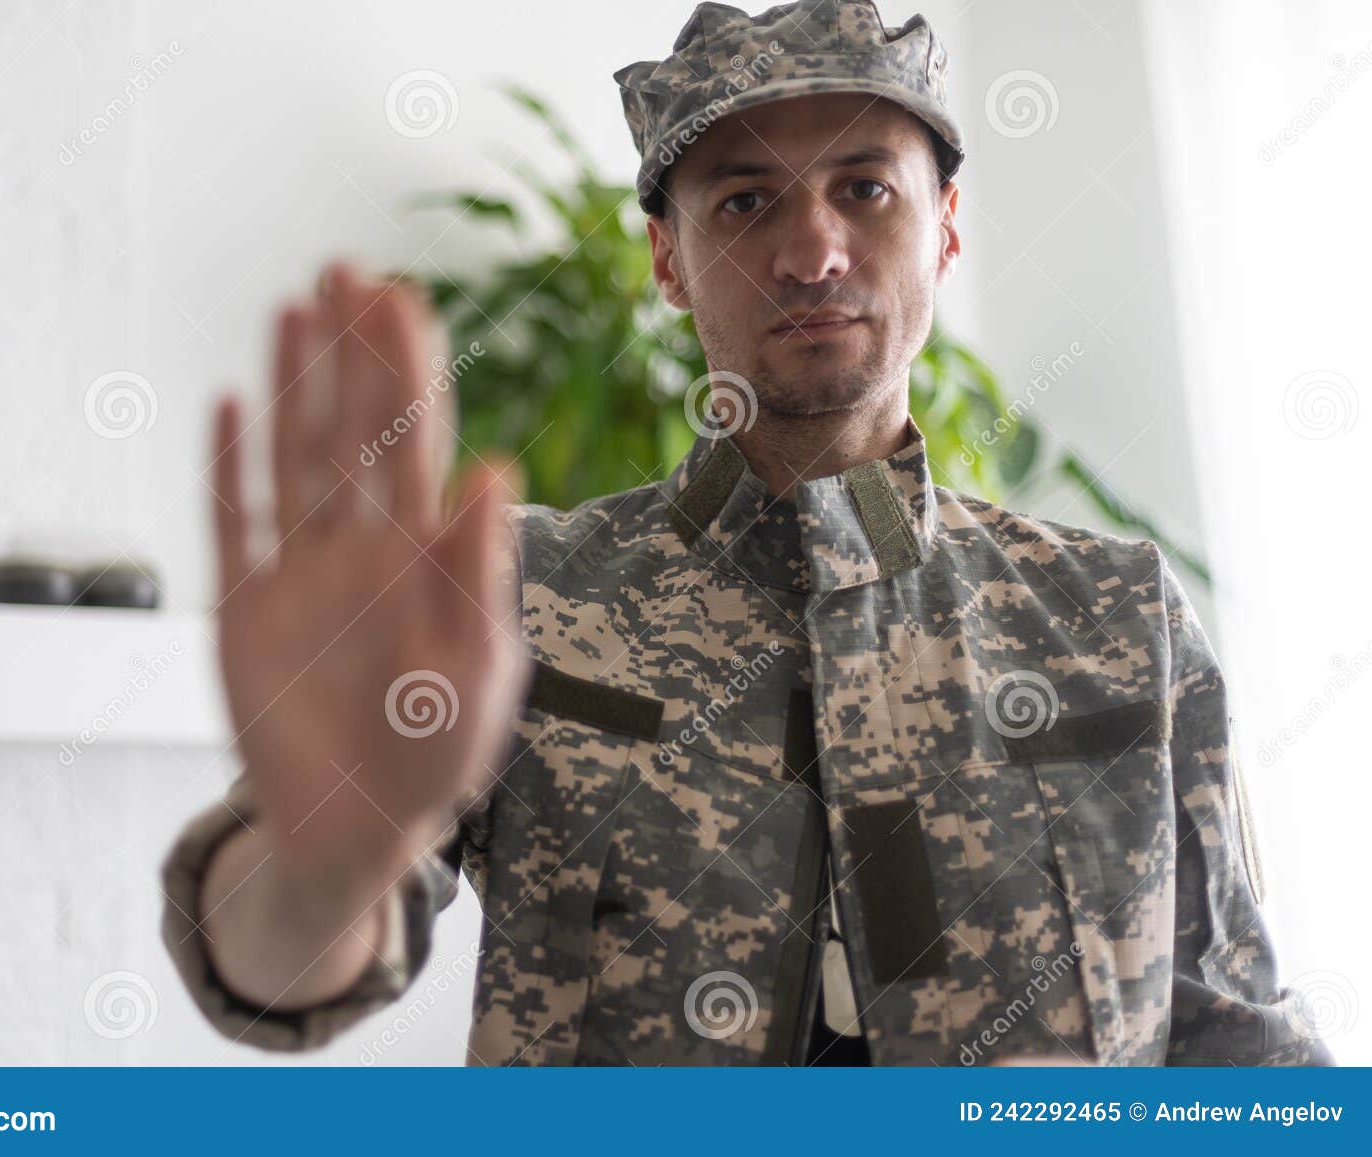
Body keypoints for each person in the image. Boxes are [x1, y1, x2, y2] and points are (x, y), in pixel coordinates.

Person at [160, 0, 1329, 1066]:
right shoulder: (517, 596)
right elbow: (269, 969)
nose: (811, 250)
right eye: (744, 199)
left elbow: (1242, 1047)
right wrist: (325, 862)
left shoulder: (1113, 612)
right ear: (669, 260)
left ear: (946, 227)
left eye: (865, 188)